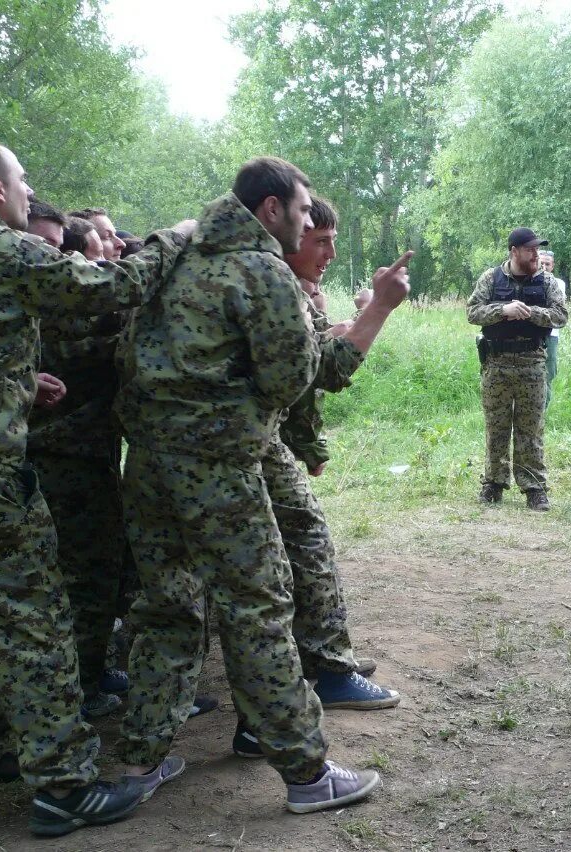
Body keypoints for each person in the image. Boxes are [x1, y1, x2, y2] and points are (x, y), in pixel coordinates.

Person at [0, 140, 191, 842]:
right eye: (22, 180)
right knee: (32, 622)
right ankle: (65, 787)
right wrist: (174, 239)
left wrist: (19, 386)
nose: (29, 192)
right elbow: (109, 289)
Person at [114, 157, 383, 814]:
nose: (303, 219)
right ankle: (304, 772)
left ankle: (139, 761)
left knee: (168, 608)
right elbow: (292, 378)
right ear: (270, 210)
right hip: (218, 467)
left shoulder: (177, 255)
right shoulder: (260, 270)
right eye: (299, 209)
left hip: (147, 461)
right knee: (258, 606)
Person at [235, 192, 404, 732]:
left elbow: (300, 381)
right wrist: (377, 310)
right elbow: (318, 373)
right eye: (319, 239)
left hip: (253, 441)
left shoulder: (277, 282)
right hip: (242, 445)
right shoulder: (272, 283)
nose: (328, 252)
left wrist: (309, 446)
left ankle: (316, 660)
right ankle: (322, 671)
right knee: (296, 545)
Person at [468, 227, 568, 510]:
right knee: (496, 427)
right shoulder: (491, 278)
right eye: (530, 250)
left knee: (531, 429)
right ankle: (493, 484)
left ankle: (535, 488)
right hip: (496, 364)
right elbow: (473, 311)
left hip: (532, 363)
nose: (536, 254)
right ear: (514, 252)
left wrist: (530, 312)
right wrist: (503, 310)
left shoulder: (546, 282)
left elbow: (561, 316)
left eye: (538, 249)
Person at [538, 249, 567, 407]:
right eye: (541, 263)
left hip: (551, 334)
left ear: (552, 266)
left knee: (549, 370)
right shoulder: (529, 280)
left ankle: (544, 407)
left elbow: (556, 309)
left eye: (547, 264)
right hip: (533, 332)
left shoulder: (559, 283)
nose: (543, 266)